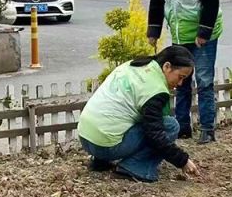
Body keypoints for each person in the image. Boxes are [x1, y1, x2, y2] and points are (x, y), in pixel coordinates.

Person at [78, 46, 201, 183]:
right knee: (170, 126)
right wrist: (182, 160)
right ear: (167, 66)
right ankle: (135, 168)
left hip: (85, 137)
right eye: (180, 77)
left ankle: (100, 161)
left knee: (123, 116)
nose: (180, 83)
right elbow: (155, 134)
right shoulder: (155, 88)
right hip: (105, 146)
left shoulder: (134, 65)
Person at [148, 0, 223, 145]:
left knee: (204, 81)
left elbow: (211, 1)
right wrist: (154, 31)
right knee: (180, 81)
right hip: (180, 33)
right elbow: (157, 2)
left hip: (202, 35)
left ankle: (208, 128)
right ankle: (182, 127)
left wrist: (204, 32)